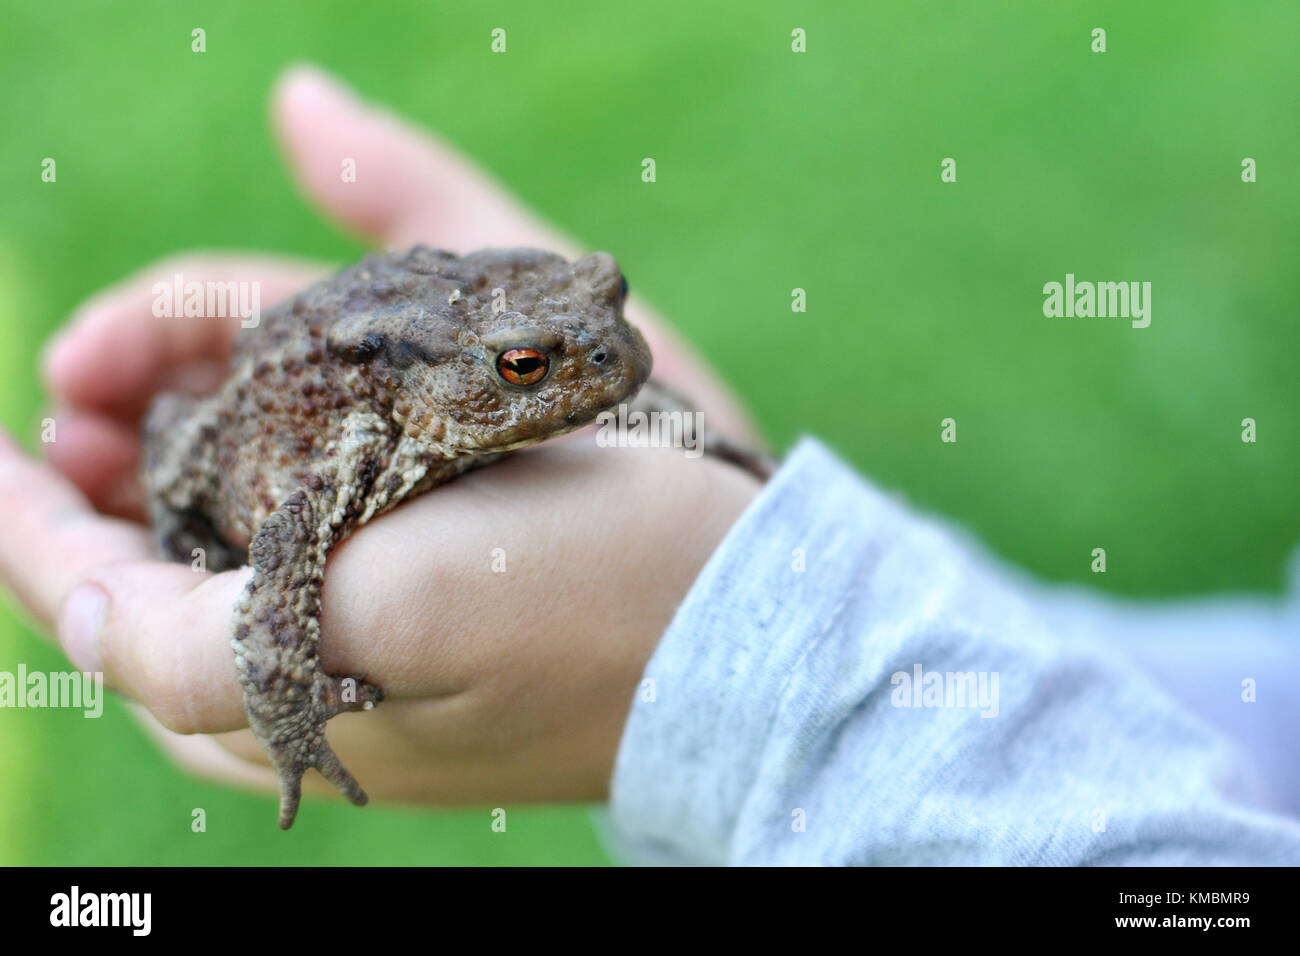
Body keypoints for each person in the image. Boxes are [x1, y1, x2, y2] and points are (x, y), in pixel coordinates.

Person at [2, 65, 1297, 865]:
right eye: (534, 373)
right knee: (179, 453)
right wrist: (291, 711)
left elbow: (618, 378)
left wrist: (727, 519)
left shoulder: (564, 354)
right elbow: (284, 553)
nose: (600, 364)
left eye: (605, 316)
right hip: (280, 395)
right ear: (459, 387)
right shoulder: (365, 431)